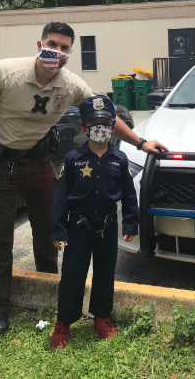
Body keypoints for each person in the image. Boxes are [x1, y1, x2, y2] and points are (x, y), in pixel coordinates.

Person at [0, 22, 167, 337]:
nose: (56, 51)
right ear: (39, 43)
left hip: (39, 160)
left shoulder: (71, 85)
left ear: (70, 54)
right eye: (52, 44)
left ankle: (47, 292)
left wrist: (141, 143)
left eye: (64, 47)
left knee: (50, 233)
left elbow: (106, 114)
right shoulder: (3, 72)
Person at [49, 95, 139, 349]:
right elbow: (61, 198)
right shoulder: (73, 159)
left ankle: (101, 317)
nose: (101, 129)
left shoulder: (119, 160)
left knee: (104, 273)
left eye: (106, 124)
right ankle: (63, 322)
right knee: (72, 274)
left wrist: (131, 224)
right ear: (85, 129)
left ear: (112, 127)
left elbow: (129, 195)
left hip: (107, 225)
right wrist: (58, 229)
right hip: (78, 226)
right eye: (94, 125)